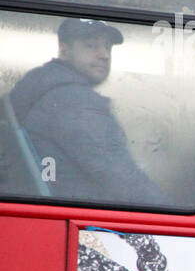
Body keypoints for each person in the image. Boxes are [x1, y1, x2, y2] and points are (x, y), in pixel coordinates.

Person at [7, 17, 169, 205]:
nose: (104, 55)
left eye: (107, 47)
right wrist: (176, 220)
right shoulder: (73, 101)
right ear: (65, 49)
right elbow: (121, 177)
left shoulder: (43, 89)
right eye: (92, 46)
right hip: (78, 213)